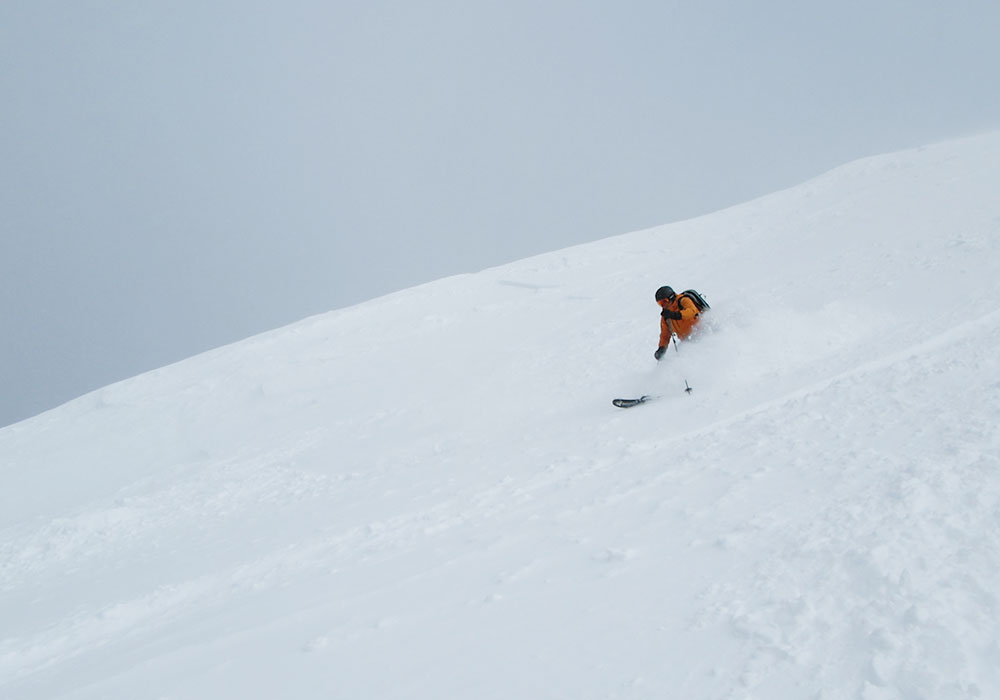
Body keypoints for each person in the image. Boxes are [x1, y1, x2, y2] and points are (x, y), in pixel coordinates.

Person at [654, 286, 702, 360]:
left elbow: (692, 312)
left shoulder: (683, 300)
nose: (663, 305)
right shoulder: (666, 316)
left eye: (664, 301)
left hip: (701, 333)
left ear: (671, 297)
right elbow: (665, 334)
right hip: (687, 341)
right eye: (660, 303)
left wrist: (676, 315)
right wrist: (662, 348)